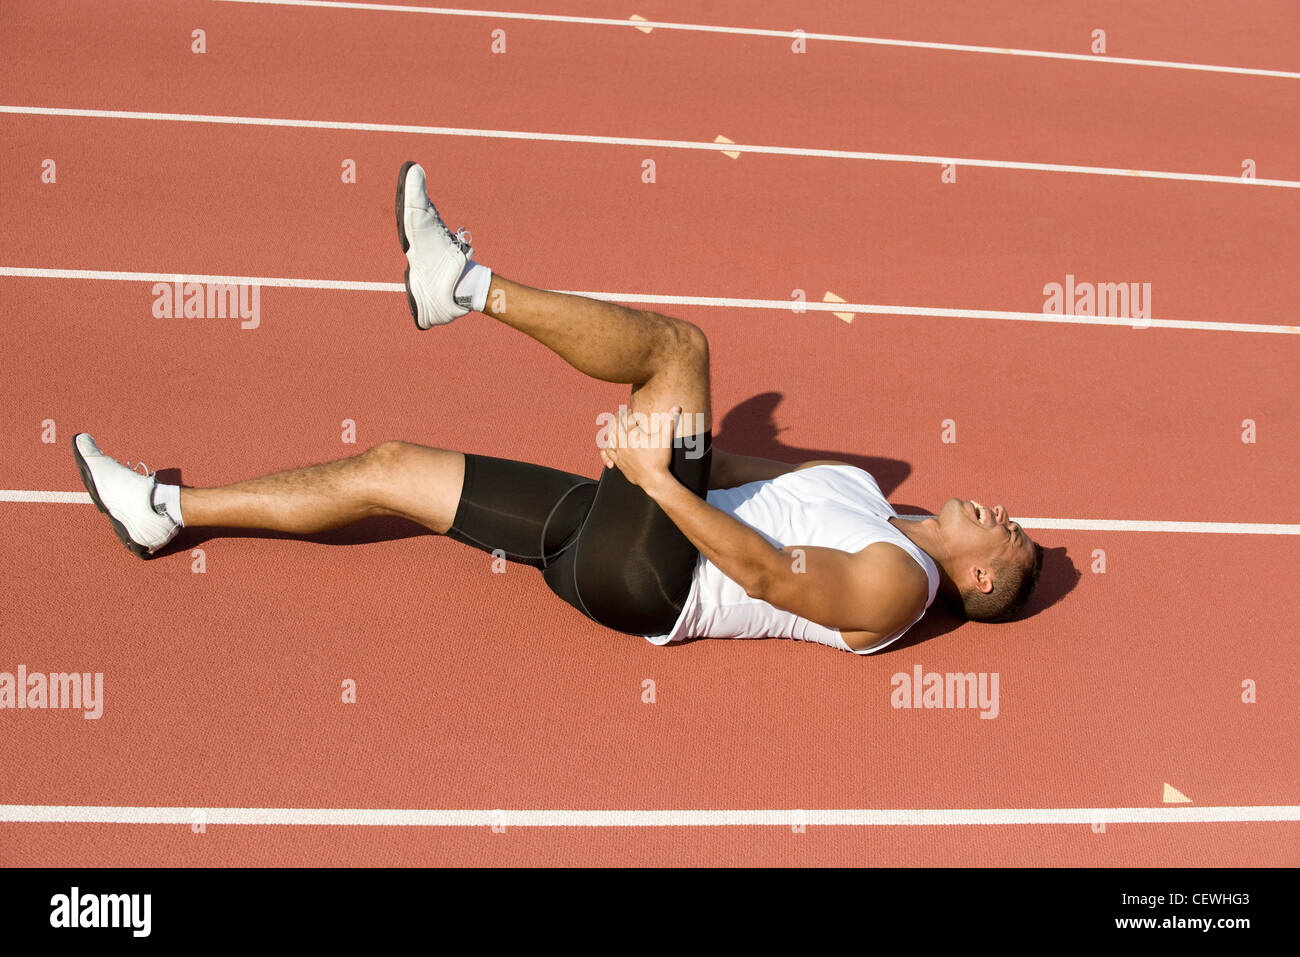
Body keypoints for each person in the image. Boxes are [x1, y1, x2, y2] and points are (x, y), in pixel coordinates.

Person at [72, 162, 1044, 656]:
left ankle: (465, 286)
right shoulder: (867, 494)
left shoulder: (900, 588)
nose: (1006, 521)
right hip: (609, 524)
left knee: (679, 349)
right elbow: (733, 470)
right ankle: (164, 512)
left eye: (1012, 546)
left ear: (982, 583)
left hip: (650, 584)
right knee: (387, 467)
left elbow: (764, 569)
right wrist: (659, 454)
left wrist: (658, 472)